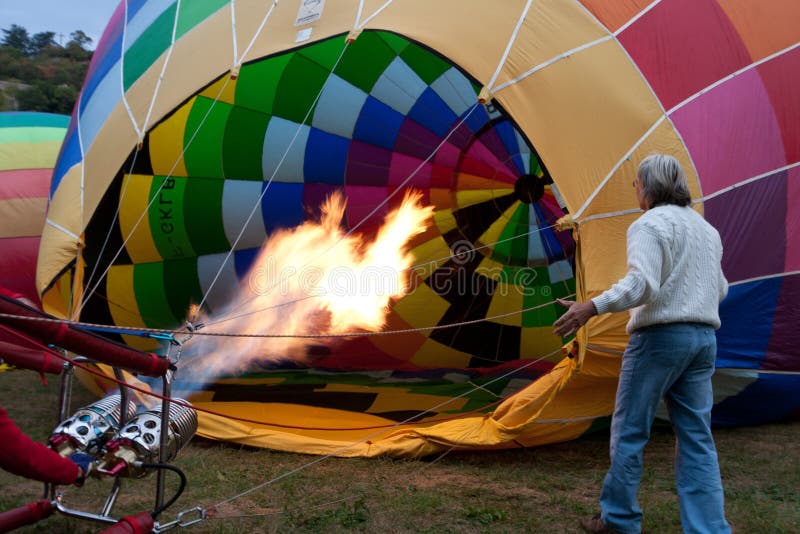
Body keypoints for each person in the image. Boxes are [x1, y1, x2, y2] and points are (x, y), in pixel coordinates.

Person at [553, 154, 731, 534]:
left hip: (660, 339)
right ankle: (710, 528)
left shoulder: (648, 225)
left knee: (631, 430)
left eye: (636, 184)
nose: (635, 190)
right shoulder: (706, 230)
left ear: (647, 188)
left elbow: (642, 285)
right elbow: (721, 288)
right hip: (703, 339)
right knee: (698, 437)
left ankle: (618, 520)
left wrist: (591, 307)